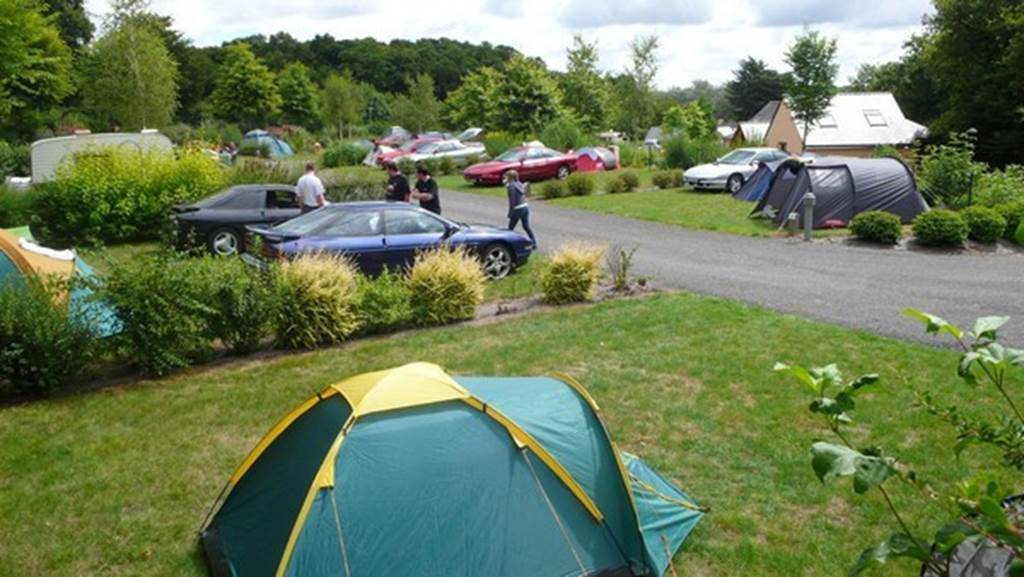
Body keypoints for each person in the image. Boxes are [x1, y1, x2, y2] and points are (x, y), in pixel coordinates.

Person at [505, 170, 536, 247]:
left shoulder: (511, 186)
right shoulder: (520, 184)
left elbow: (512, 201)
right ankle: (533, 242)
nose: (506, 178)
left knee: (510, 228)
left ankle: (507, 244)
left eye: (507, 176)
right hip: (525, 207)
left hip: (517, 208)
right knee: (526, 226)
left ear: (510, 177)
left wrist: (510, 213)